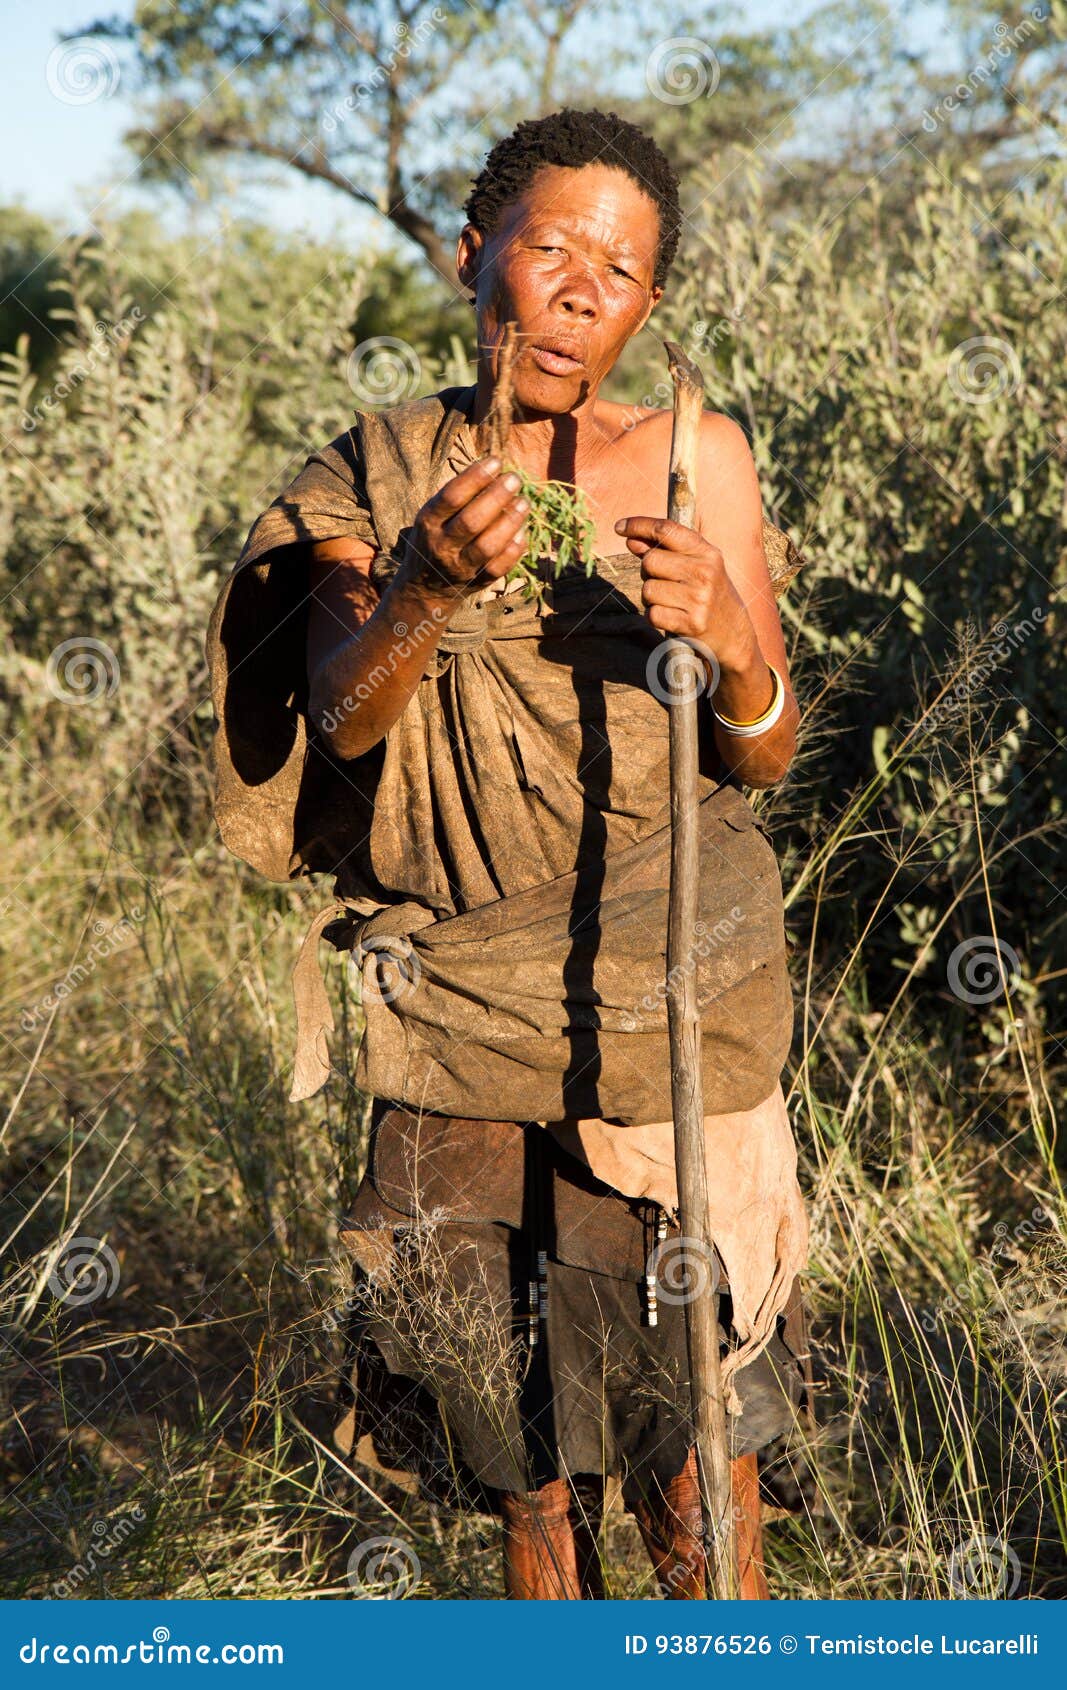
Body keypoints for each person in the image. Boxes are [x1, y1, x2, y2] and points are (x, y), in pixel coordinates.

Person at [206, 108, 814, 1599]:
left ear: (648, 304)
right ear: (477, 256)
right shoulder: (379, 474)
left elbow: (765, 748)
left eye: (622, 270)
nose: (581, 292)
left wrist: (733, 647)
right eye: (551, 250)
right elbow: (342, 720)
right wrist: (422, 585)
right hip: (458, 1003)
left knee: (693, 1447)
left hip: (666, 992)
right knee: (520, 1461)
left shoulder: (694, 458)